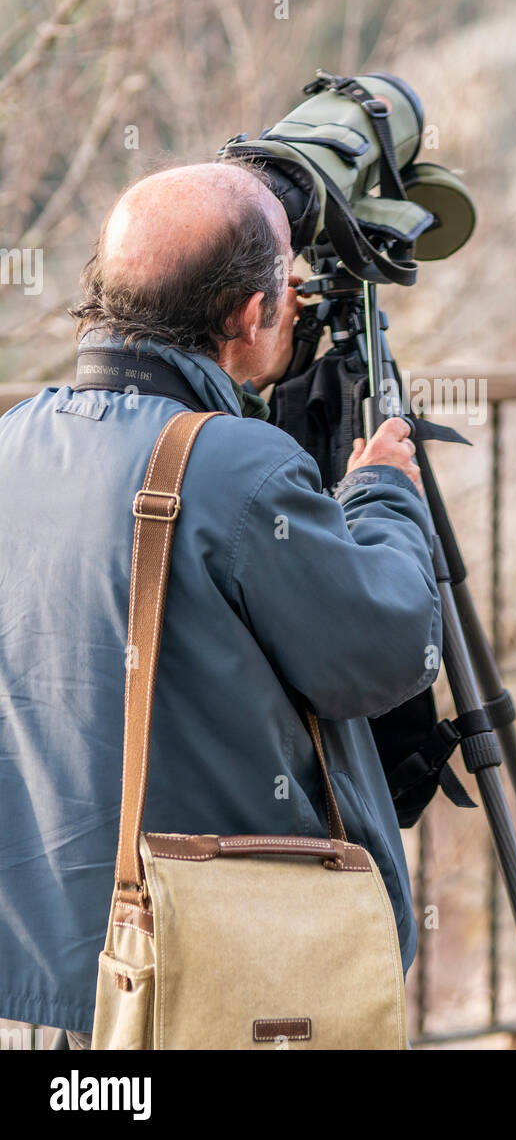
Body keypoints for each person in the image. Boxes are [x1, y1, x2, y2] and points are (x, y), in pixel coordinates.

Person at [0, 161, 441, 1047]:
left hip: (46, 970)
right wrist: (384, 497)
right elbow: (384, 651)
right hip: (217, 975)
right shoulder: (236, 468)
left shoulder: (13, 443)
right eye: (289, 280)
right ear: (249, 315)